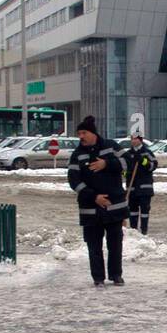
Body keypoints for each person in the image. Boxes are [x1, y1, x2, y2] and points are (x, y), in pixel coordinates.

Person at [67, 115, 128, 286]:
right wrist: (94, 197)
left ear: (93, 133)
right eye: (79, 133)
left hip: (114, 206)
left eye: (84, 132)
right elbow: (74, 181)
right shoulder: (77, 155)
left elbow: (128, 162)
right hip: (90, 209)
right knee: (94, 247)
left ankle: (116, 275)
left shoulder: (111, 146)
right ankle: (98, 278)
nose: (81, 136)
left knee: (115, 245)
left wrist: (107, 164)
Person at [122, 133, 157, 234]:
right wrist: (126, 173)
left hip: (145, 188)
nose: (133, 141)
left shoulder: (147, 153)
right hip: (132, 188)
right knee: (132, 210)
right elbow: (122, 170)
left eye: (136, 139)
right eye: (132, 139)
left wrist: (143, 161)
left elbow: (153, 166)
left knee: (145, 210)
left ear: (141, 140)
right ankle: (134, 230)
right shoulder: (128, 154)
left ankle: (144, 231)